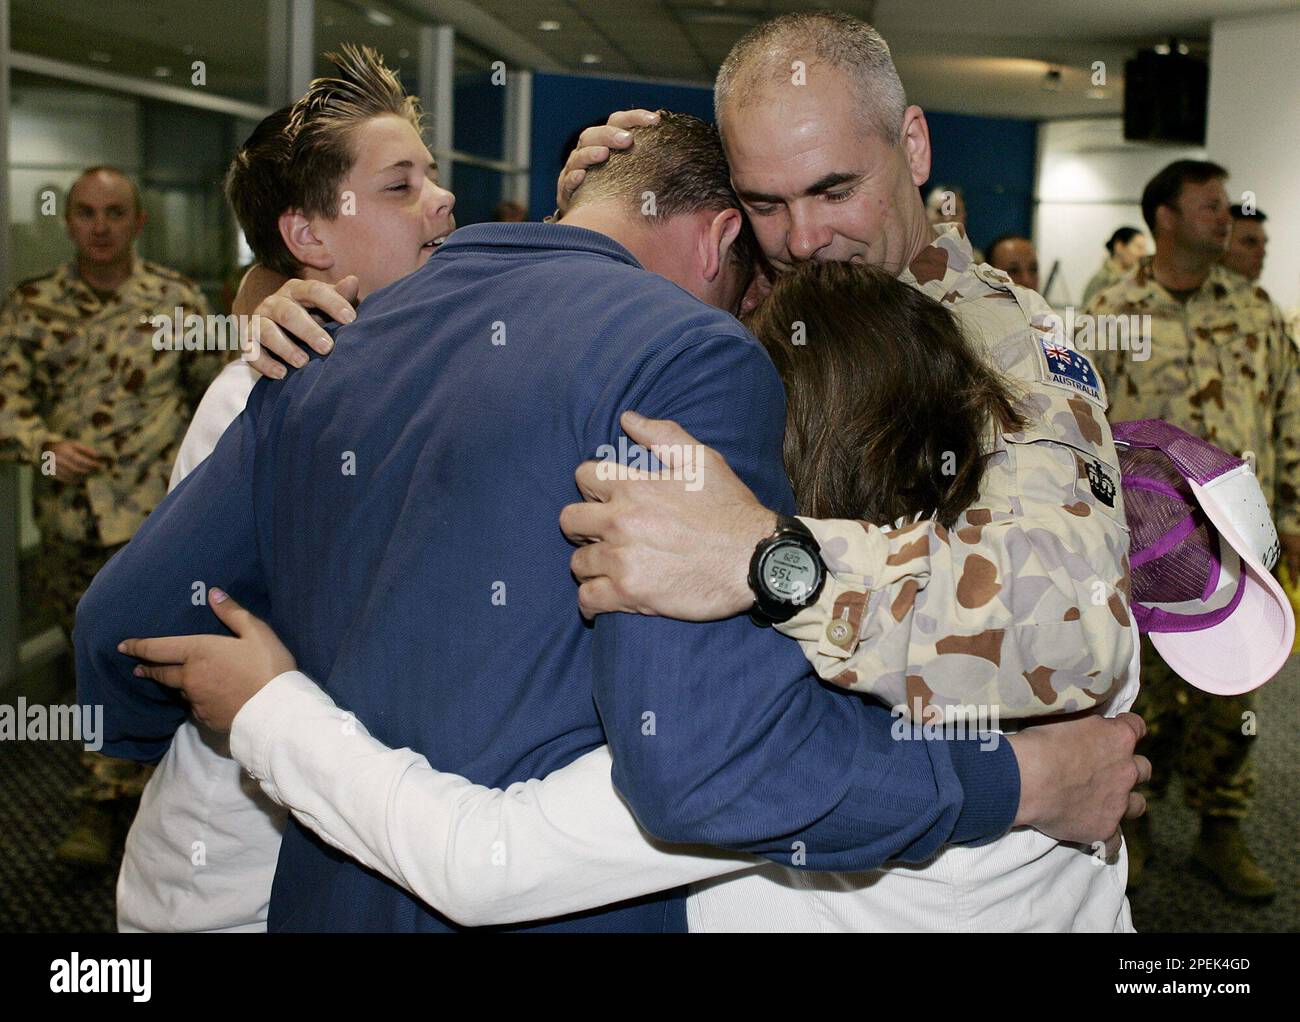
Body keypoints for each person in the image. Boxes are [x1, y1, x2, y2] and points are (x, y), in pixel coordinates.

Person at [78, 104, 1143, 932]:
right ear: (724, 234)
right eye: (759, 245)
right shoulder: (693, 363)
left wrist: (265, 703)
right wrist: (1028, 778)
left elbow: (119, 625)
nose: (761, 283)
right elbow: (701, 767)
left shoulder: (338, 339)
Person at [115, 45, 455, 933]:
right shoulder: (255, 396)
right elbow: (167, 629)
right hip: (233, 878)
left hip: (369, 852)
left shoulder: (440, 367)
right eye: (401, 186)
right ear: (308, 237)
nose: (441, 199)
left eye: (432, 176)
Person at [1086, 160, 1299, 901]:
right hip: (1145, 555)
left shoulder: (1255, 309)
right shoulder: (1110, 310)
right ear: (1165, 218)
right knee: (1138, 699)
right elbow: (1081, 433)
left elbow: (1288, 412)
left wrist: (1296, 515)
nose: (1227, 215)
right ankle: (1131, 834)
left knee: (1234, 700)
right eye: (1209, 206)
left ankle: (1221, 833)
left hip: (1239, 555)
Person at [0, 164, 225, 866]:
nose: (101, 226)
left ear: (139, 222)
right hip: (69, 526)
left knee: (166, 661)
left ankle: (163, 795)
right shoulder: (31, 305)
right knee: (90, 662)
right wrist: (41, 448)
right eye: (87, 212)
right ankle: (101, 804)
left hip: (160, 526)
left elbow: (218, 400)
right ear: (68, 221)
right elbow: (7, 404)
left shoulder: (178, 303)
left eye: (115, 213)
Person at [1081, 226, 1148, 307]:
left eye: (1144, 248)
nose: (1143, 253)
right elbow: (1087, 316)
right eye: (1139, 247)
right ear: (1119, 246)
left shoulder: (1139, 278)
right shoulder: (1101, 280)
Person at [1221, 205, 1268, 283]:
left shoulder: (1259, 294)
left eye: (1264, 243)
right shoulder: (1200, 293)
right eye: (1250, 242)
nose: (1262, 253)